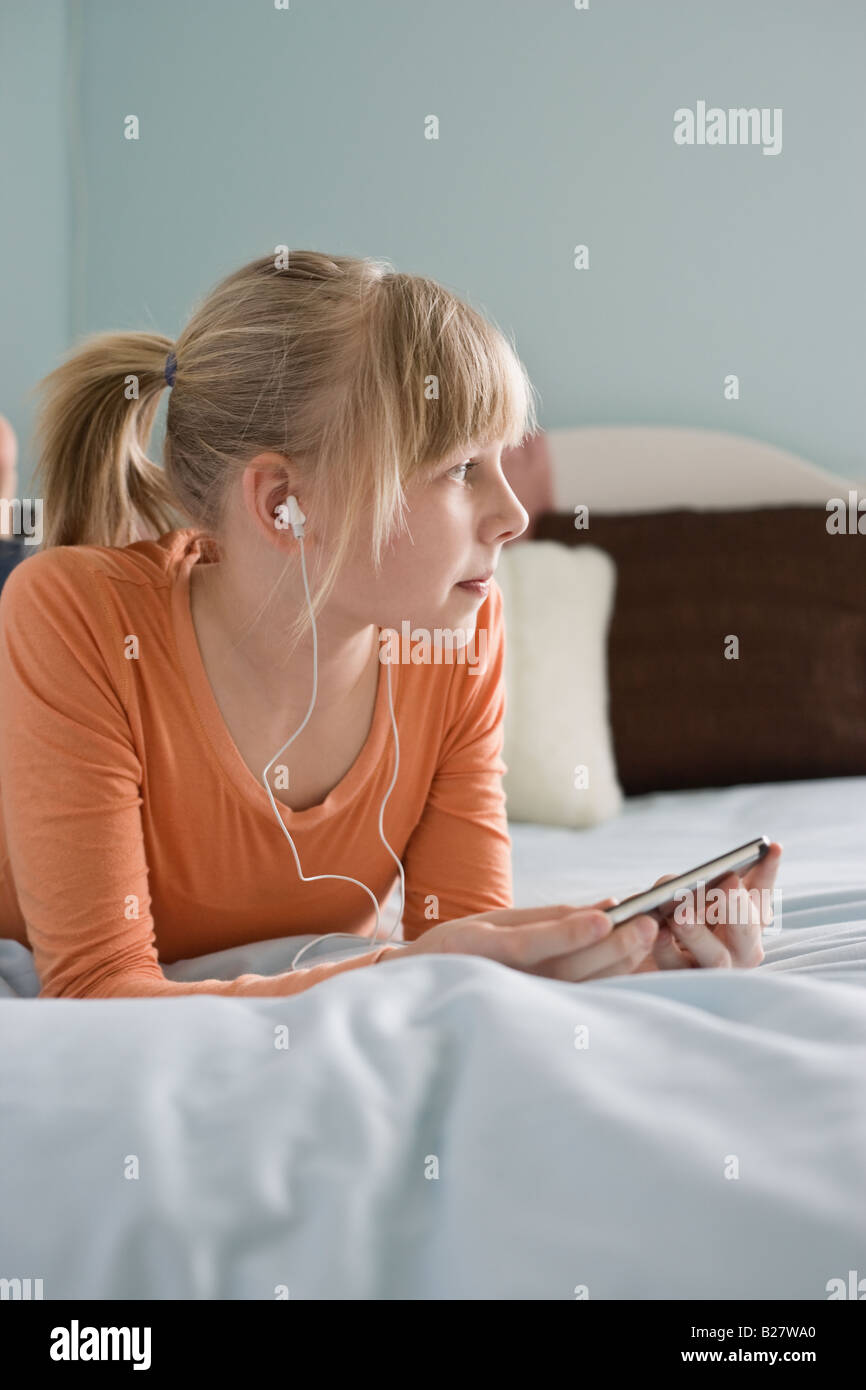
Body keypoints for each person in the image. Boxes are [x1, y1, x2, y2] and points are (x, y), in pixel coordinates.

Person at [0, 250, 781, 998]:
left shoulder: (459, 637)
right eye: (460, 470)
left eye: (502, 463)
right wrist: (403, 970)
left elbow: (470, 945)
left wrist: (620, 947)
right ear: (283, 504)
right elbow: (99, 987)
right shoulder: (73, 616)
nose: (513, 516)